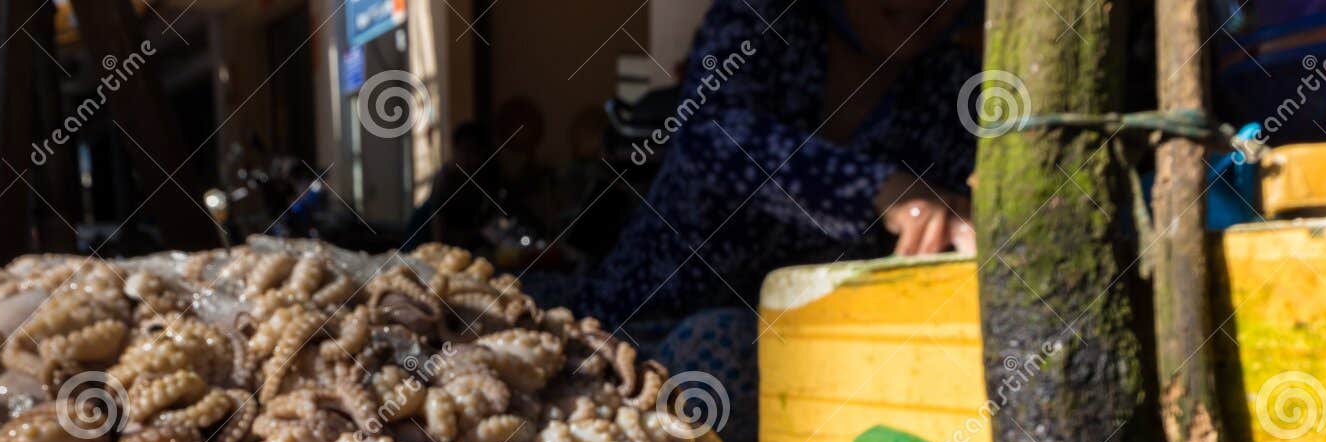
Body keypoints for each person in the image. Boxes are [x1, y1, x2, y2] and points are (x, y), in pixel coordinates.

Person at [571, 0, 981, 328]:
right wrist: (879, 190)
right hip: (639, 323)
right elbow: (713, 136)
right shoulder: (758, 17)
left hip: (806, 355)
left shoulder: (954, 85)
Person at [403, 121, 497, 251]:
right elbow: (439, 235)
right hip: (423, 237)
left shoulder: (483, 176)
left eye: (475, 152)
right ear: (455, 151)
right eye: (464, 151)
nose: (469, 158)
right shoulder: (445, 179)